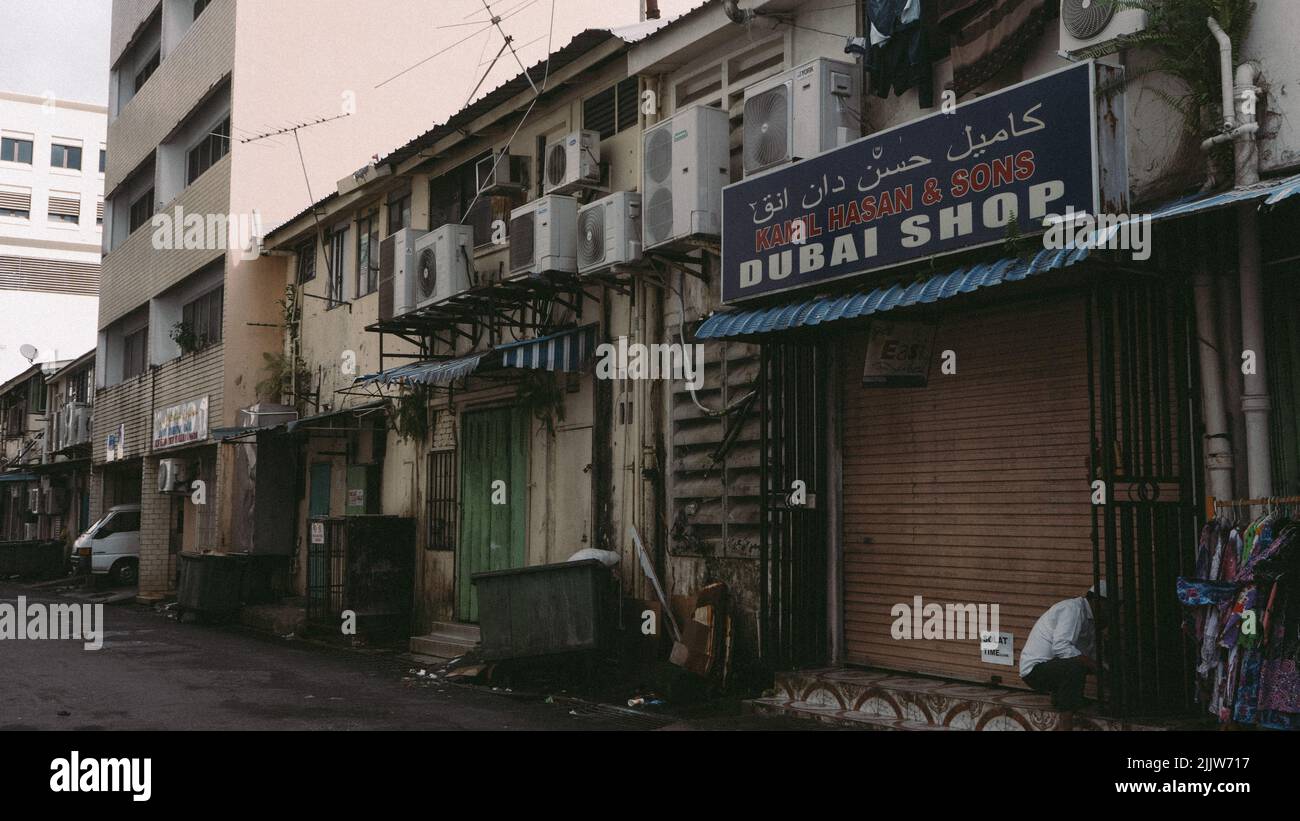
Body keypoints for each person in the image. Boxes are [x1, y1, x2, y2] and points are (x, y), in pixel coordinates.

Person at [1020, 582, 1109, 715]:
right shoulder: (1073, 609)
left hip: (1053, 666)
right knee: (1076, 664)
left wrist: (1105, 670)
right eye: (1109, 606)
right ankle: (1066, 718)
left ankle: (1062, 698)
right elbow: (1061, 647)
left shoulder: (1093, 620)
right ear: (1097, 601)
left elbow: (1092, 653)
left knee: (1083, 661)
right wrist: (1093, 665)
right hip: (1035, 671)